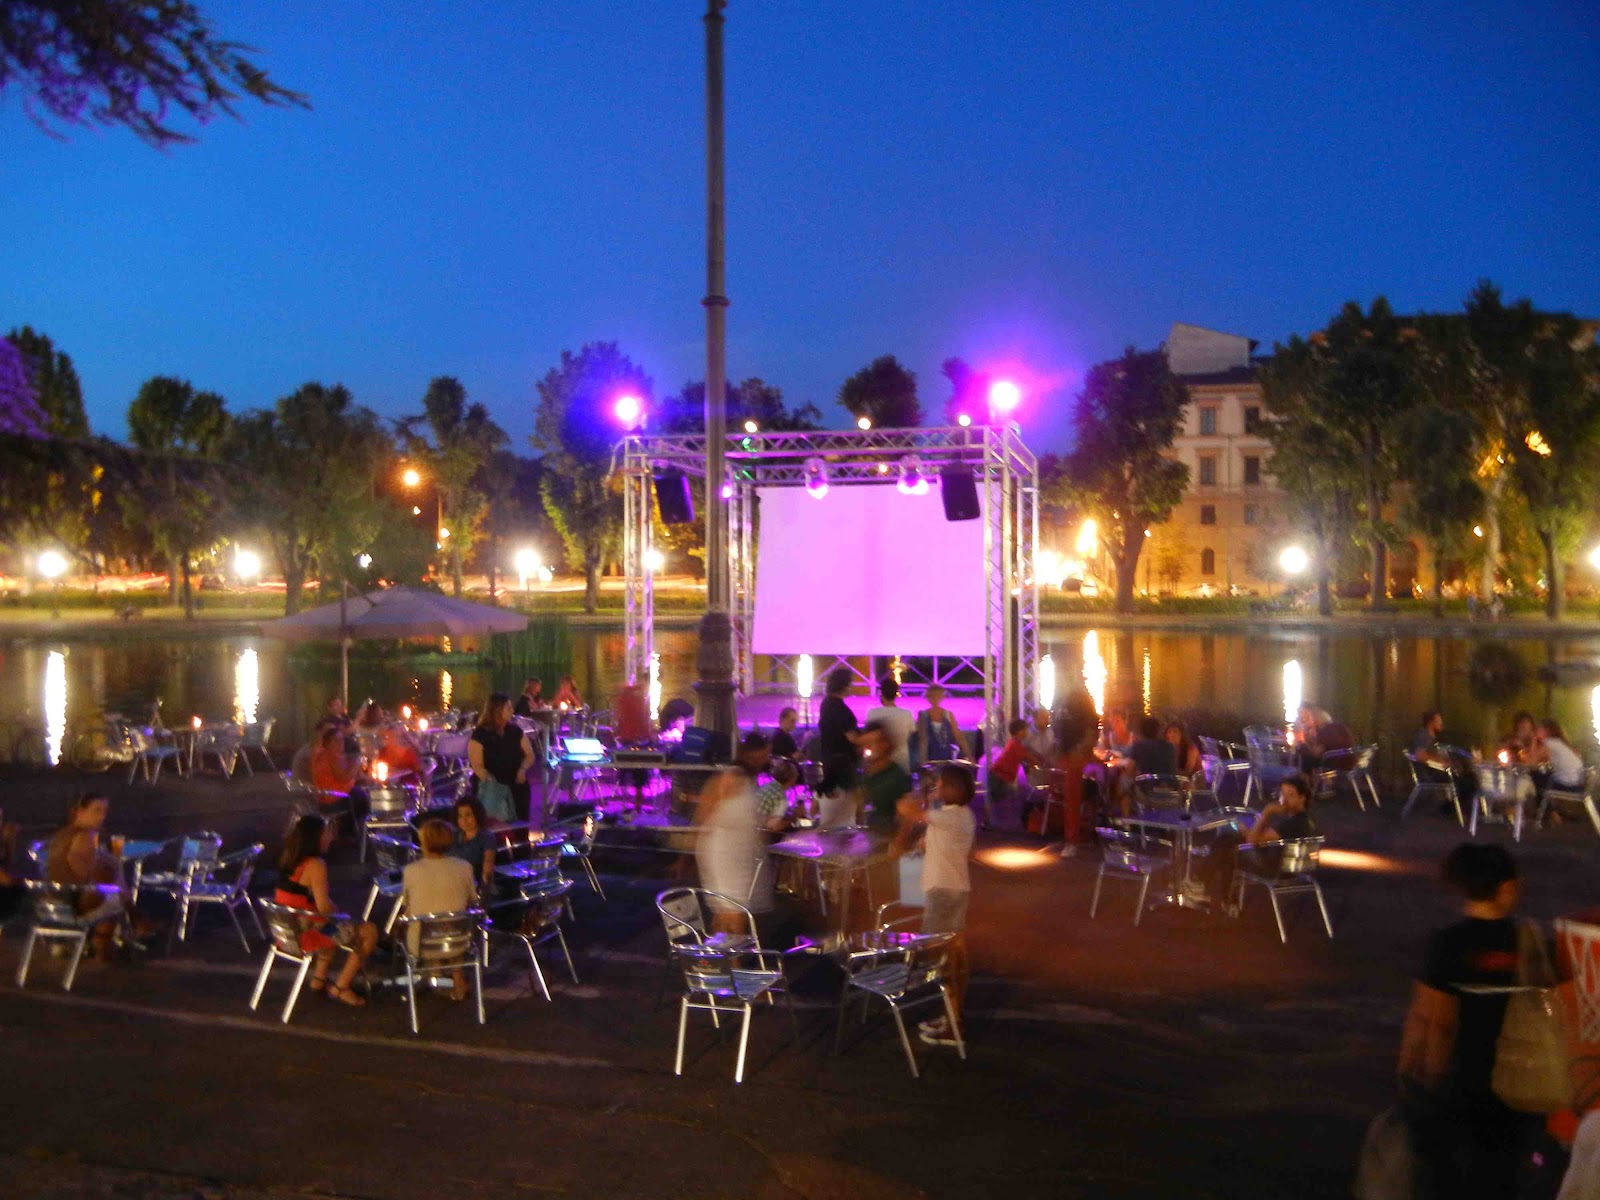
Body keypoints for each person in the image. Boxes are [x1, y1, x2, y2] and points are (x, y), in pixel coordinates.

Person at [1399, 843, 1541, 1196]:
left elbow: (1433, 1020)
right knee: (1502, 1176)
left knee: (1448, 1178)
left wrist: (1415, 1074)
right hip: (1517, 1082)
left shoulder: (1448, 943)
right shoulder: (1528, 941)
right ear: (1506, 888)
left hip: (1461, 1082)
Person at [896, 762, 976, 1048]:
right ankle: (952, 1017)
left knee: (939, 956)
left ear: (954, 789)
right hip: (948, 890)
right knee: (949, 954)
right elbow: (929, 842)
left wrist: (919, 796)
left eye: (941, 784)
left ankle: (954, 1025)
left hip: (945, 893)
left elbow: (906, 809)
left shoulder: (952, 817)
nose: (937, 788)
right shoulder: (955, 817)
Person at [272, 814, 379, 1007]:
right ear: (317, 837)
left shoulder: (288, 859)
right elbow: (324, 909)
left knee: (332, 925)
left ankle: (318, 980)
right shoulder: (316, 865)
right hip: (304, 935)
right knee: (369, 931)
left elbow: (307, 899)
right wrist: (340, 915)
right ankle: (341, 987)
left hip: (285, 933)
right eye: (327, 833)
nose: (331, 837)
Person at [1198, 773, 1319, 906]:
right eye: (1282, 795)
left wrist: (1267, 812)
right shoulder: (1307, 820)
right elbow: (1264, 837)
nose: (1284, 800)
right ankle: (1221, 897)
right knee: (1231, 840)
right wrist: (1248, 833)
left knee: (1228, 844)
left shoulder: (1293, 823)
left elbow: (1252, 841)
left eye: (1290, 795)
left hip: (1277, 869)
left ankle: (1202, 885)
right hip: (1295, 867)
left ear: (1302, 798)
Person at [45, 793, 140, 957]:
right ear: (80, 812)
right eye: (97, 810)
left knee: (115, 889)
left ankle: (133, 924)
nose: (102, 816)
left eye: (104, 811)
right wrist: (111, 868)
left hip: (51, 905)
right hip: (72, 905)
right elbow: (85, 877)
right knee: (117, 897)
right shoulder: (85, 836)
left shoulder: (62, 834)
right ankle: (102, 948)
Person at [694, 733, 772, 930]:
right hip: (724, 852)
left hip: (738, 852)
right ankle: (731, 958)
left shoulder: (747, 780)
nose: (763, 762)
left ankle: (718, 957)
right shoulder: (731, 776)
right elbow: (704, 811)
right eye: (760, 757)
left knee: (729, 910)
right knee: (733, 910)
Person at [401, 819, 480, 1001]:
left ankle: (433, 972)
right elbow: (472, 901)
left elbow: (408, 904)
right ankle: (457, 976)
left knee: (419, 921)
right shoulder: (464, 867)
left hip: (423, 944)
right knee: (455, 921)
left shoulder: (411, 870)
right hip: (458, 941)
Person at [1049, 684, 1100, 857]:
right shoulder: (1089, 720)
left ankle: (1073, 840)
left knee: (1071, 803)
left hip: (1070, 762)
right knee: (1076, 801)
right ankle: (1085, 835)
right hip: (1078, 762)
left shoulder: (1063, 713)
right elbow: (1090, 739)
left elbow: (1058, 737)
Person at [469, 693, 535, 823]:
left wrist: (522, 769)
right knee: (494, 825)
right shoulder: (480, 734)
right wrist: (490, 782)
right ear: (497, 710)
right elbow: (477, 764)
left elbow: (529, 754)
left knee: (520, 825)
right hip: (492, 786)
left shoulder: (515, 731)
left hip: (515, 783)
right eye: (508, 708)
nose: (512, 711)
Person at [857, 720, 915, 835]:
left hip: (889, 837)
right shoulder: (866, 775)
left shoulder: (896, 776)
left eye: (873, 743)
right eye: (865, 744)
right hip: (872, 836)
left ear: (885, 744)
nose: (868, 748)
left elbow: (907, 816)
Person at [988, 718, 1045, 821]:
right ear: (1020, 731)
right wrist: (1043, 763)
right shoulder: (1016, 745)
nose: (1027, 733)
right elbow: (1030, 758)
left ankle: (992, 822)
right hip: (1000, 776)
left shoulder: (1013, 743)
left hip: (999, 775)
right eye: (1025, 730)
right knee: (1011, 797)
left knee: (998, 801)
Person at [817, 668, 861, 797]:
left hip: (828, 758)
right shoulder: (841, 710)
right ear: (844, 686)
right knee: (847, 799)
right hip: (842, 762)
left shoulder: (825, 704)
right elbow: (852, 737)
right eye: (850, 683)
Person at [912, 685, 970, 770]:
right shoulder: (924, 715)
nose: (934, 699)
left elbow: (959, 737)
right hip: (936, 756)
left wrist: (968, 755)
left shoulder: (946, 714)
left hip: (942, 756)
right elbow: (922, 740)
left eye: (936, 696)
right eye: (932, 696)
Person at [865, 677, 916, 772]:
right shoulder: (906, 714)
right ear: (896, 694)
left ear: (881, 693)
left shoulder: (872, 713)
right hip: (902, 762)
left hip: (878, 763)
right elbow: (912, 736)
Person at [450, 797, 498, 891]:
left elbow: (488, 863)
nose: (464, 820)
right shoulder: (454, 834)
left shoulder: (486, 837)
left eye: (468, 815)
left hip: (472, 887)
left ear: (477, 815)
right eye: (460, 816)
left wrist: (484, 890)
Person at [309, 725, 357, 796]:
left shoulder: (319, 752)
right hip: (337, 796)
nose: (340, 743)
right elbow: (343, 778)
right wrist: (357, 763)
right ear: (328, 743)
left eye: (342, 739)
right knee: (364, 795)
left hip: (325, 796)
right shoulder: (332, 755)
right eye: (336, 740)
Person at [1538, 718, 1584, 789]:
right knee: (1546, 776)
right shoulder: (1562, 743)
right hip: (1578, 784)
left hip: (1568, 785)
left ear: (1546, 730)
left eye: (1539, 729)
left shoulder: (1549, 742)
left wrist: (1533, 740)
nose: (1537, 731)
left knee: (1536, 778)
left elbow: (1532, 761)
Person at [754, 758, 797, 832]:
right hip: (759, 835)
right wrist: (793, 818)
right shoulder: (780, 796)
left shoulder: (766, 787)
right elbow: (774, 826)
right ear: (792, 778)